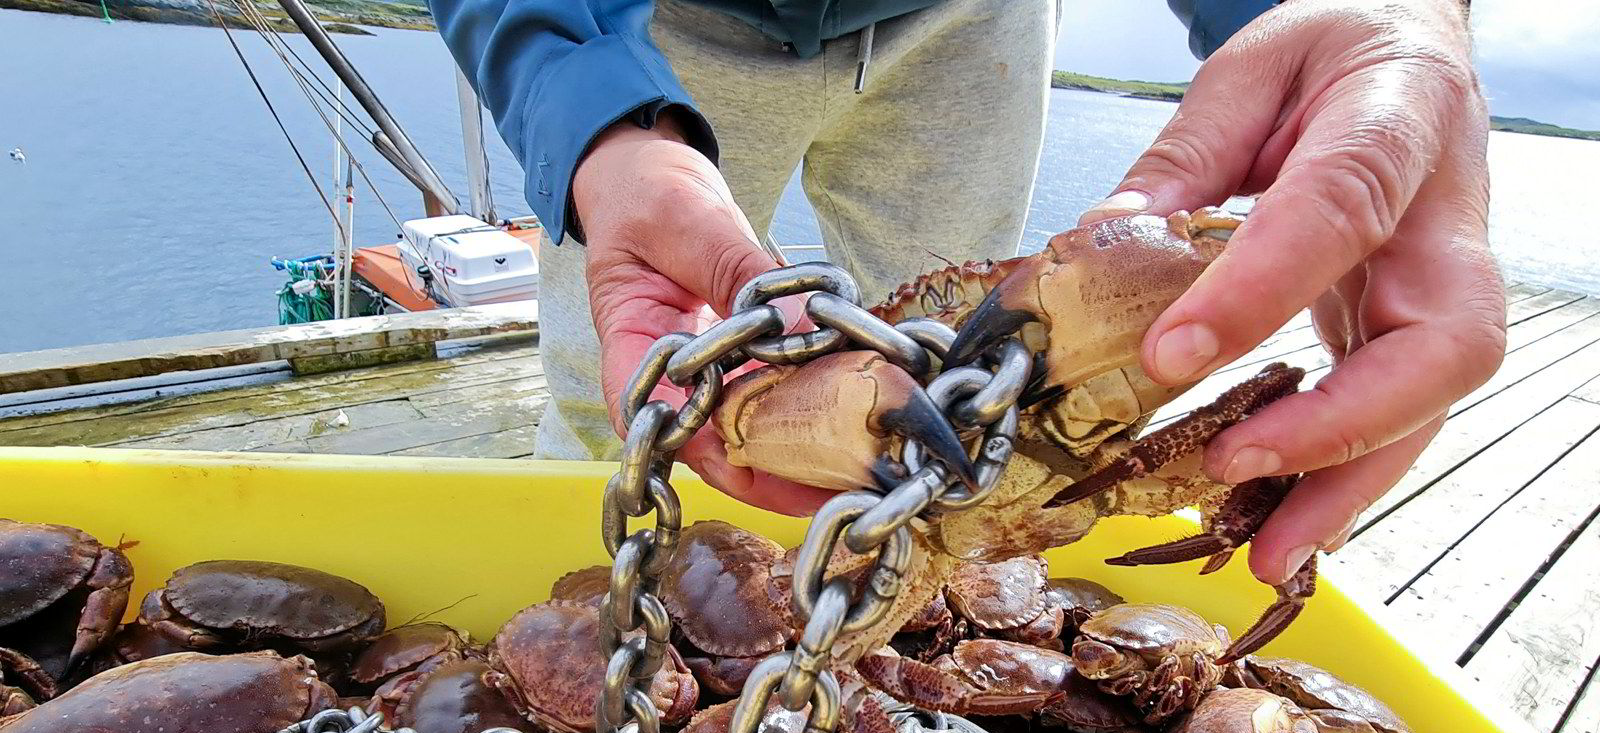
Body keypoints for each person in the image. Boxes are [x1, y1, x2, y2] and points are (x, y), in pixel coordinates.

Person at [429, 0, 1503, 591]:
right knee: (632, 390)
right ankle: (589, 603)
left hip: (969, 18)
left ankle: (944, 595)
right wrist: (588, 103)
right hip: (641, 21)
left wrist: (1375, 16)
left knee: (969, 391)